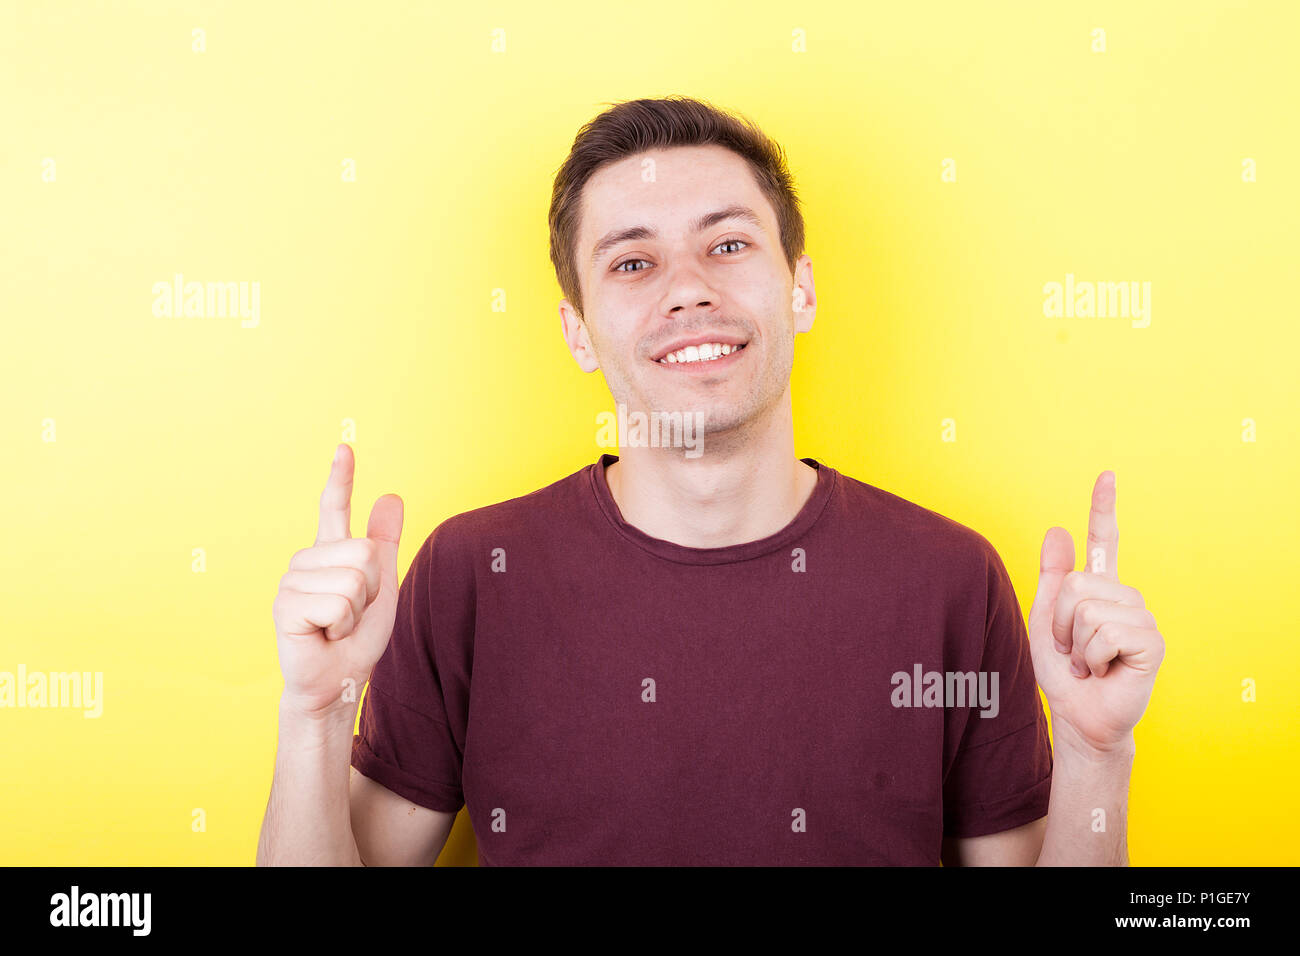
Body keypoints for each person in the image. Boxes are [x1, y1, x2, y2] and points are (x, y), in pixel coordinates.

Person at [257, 96, 1164, 866]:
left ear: (800, 290)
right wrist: (313, 716)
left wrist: (1094, 752)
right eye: (633, 262)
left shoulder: (952, 581)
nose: (686, 290)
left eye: (727, 246)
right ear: (577, 332)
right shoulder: (471, 571)